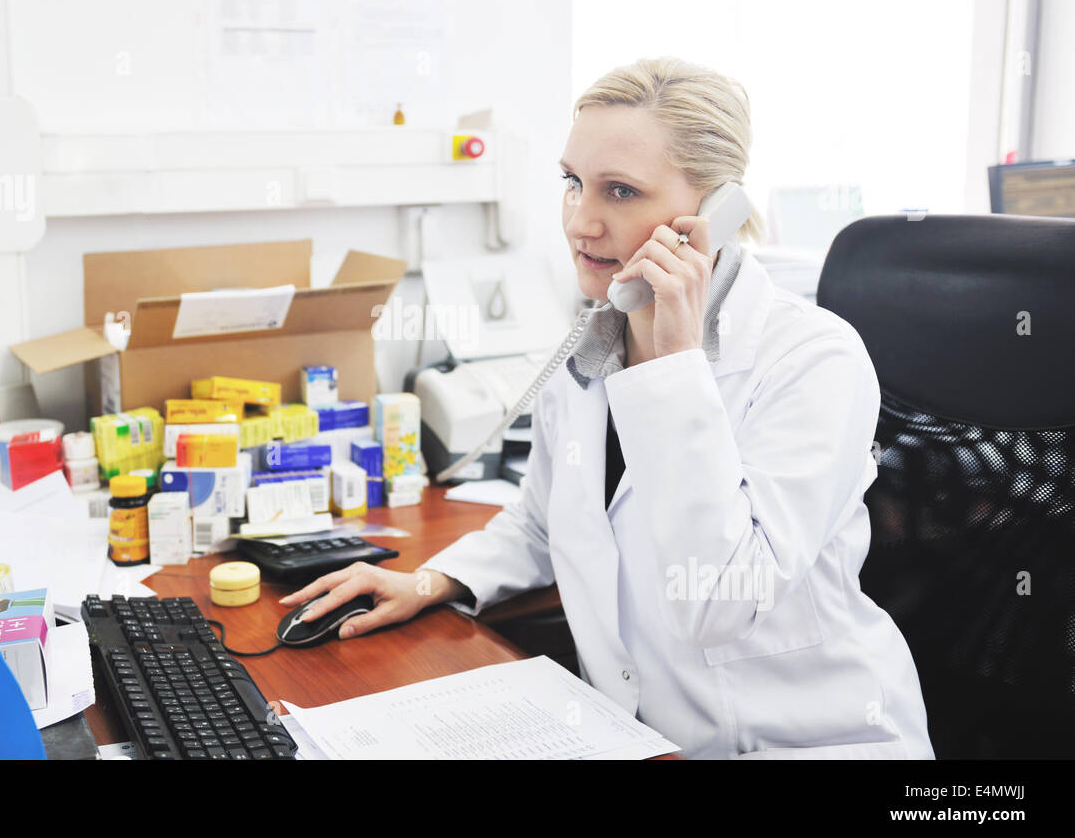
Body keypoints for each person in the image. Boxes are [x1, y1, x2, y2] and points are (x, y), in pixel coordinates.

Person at [280, 56, 934, 759]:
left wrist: (676, 364)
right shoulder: (593, 343)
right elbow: (544, 521)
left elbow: (717, 602)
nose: (580, 222)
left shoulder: (812, 361)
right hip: (634, 737)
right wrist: (431, 578)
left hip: (805, 743)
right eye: (573, 184)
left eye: (620, 191)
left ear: (715, 210)